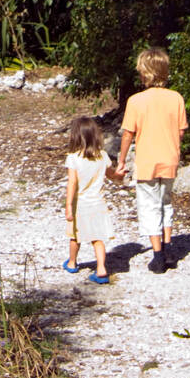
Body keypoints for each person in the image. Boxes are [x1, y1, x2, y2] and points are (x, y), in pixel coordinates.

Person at [116, 47, 188, 274]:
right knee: (166, 202)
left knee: (149, 205)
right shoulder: (176, 98)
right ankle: (168, 248)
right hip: (170, 158)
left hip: (147, 160)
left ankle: (157, 255)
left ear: (144, 73)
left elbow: (128, 133)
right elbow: (181, 131)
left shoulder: (136, 101)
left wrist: (122, 160)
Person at [64, 115, 124, 284]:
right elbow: (112, 176)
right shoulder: (102, 156)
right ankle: (102, 269)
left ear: (75, 136)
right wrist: (119, 175)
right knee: (97, 238)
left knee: (75, 234)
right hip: (98, 203)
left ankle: (72, 262)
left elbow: (72, 184)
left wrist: (68, 205)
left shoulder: (73, 158)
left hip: (80, 204)